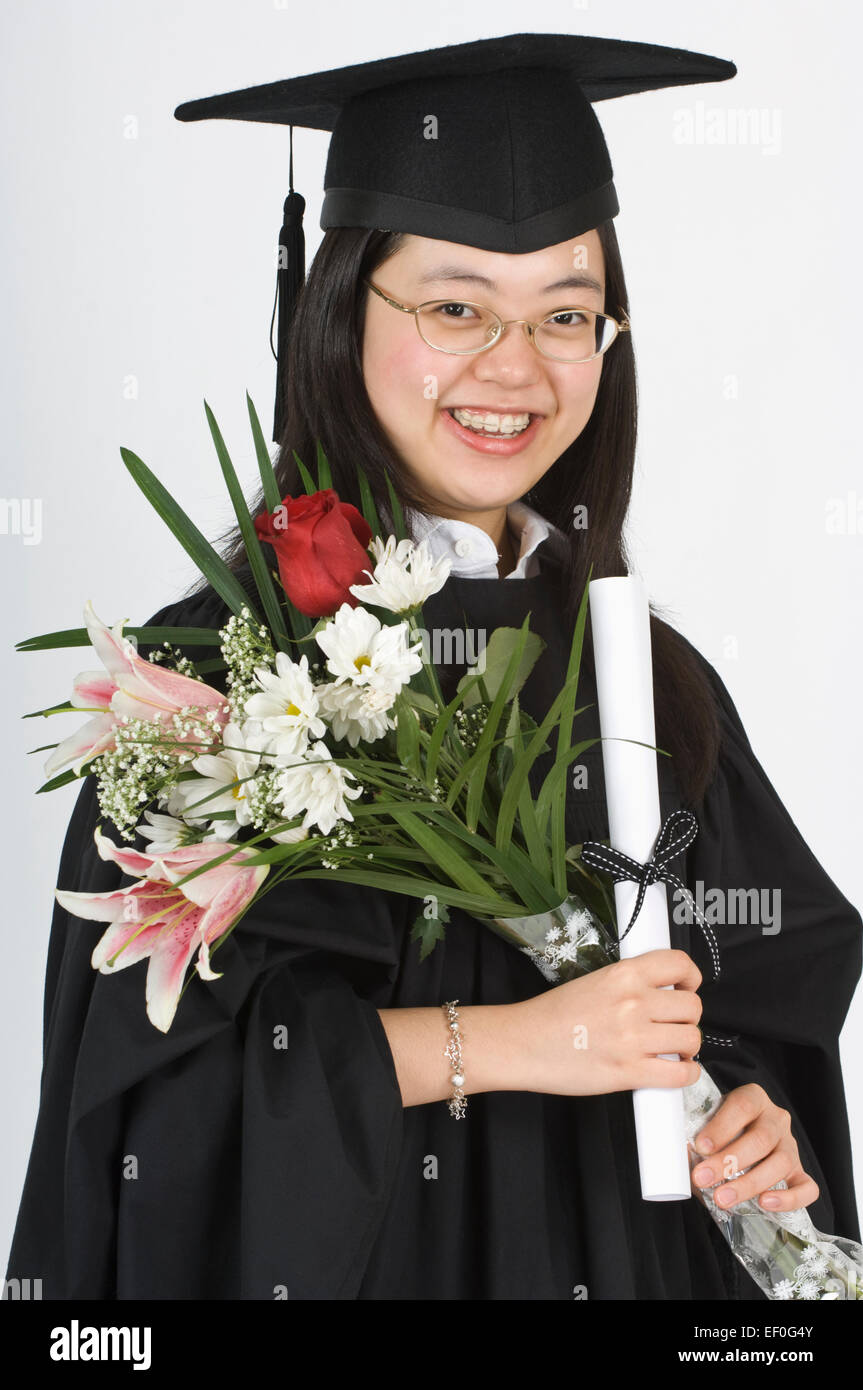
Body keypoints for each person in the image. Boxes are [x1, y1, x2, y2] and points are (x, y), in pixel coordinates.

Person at [5, 33, 861, 1301]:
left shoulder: (647, 675)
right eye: (455, 306)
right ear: (339, 311)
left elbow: (755, 1009)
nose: (513, 370)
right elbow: (146, 1120)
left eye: (564, 315)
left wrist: (740, 1112)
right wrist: (518, 1042)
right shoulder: (209, 691)